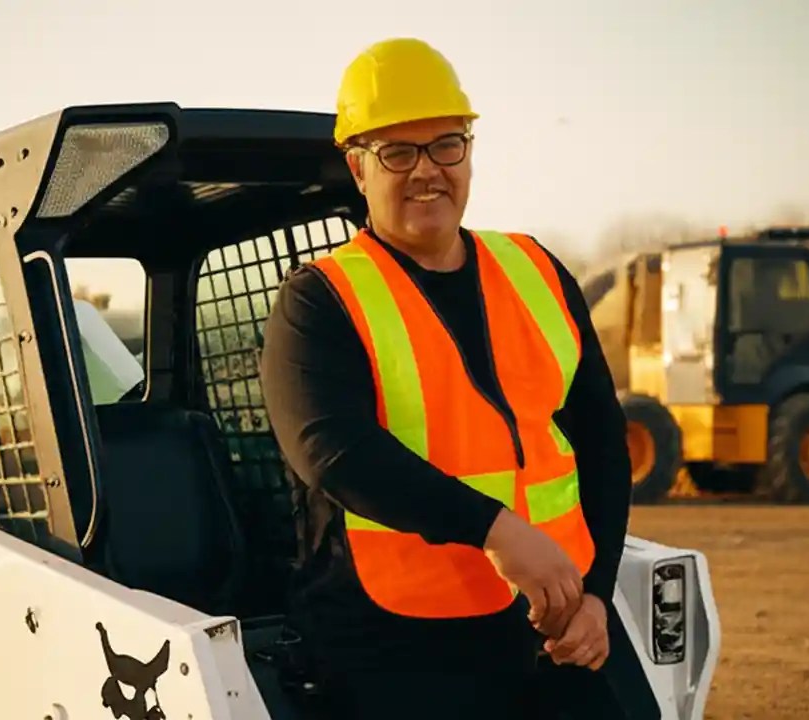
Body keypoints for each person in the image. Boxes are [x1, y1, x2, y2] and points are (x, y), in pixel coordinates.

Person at [259, 37, 633, 719]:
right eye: (398, 152)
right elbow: (332, 450)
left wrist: (599, 593)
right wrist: (499, 531)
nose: (427, 170)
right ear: (358, 168)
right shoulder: (320, 299)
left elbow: (603, 442)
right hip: (396, 649)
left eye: (446, 145)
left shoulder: (536, 270)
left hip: (551, 634)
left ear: (469, 150)